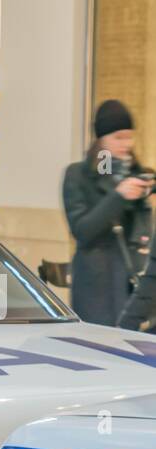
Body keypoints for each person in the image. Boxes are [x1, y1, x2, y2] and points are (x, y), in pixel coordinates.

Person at [62, 99, 154, 325]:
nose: (126, 144)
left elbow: (143, 233)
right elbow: (83, 231)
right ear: (101, 138)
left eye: (129, 137)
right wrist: (119, 195)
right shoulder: (78, 175)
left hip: (132, 286)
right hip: (97, 289)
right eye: (118, 137)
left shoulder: (137, 173)